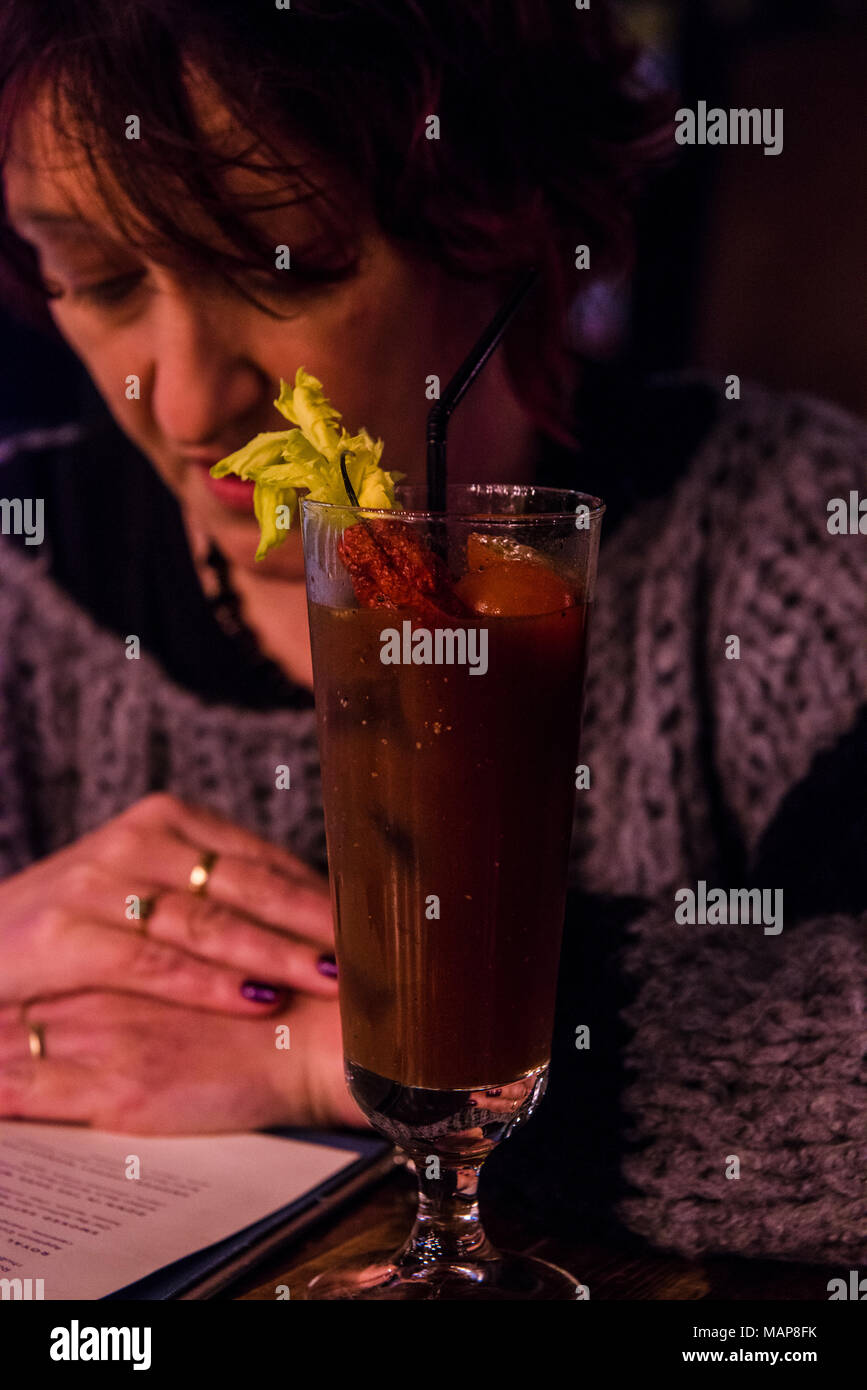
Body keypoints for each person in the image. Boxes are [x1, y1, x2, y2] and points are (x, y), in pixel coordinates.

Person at [0, 0, 864, 1269]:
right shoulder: (23, 580)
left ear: (506, 223)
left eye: (284, 265)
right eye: (101, 281)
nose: (185, 401)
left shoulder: (797, 546)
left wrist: (330, 1044)